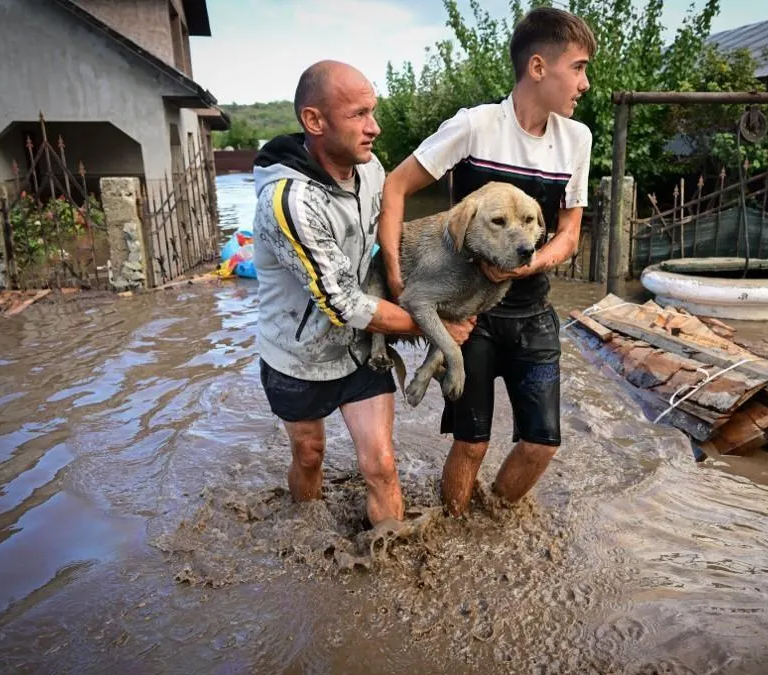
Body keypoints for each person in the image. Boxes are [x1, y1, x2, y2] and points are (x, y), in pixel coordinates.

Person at [378, 7, 597, 517]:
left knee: (541, 443)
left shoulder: (577, 140)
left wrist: (529, 263)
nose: (585, 83)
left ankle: (494, 518)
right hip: (468, 315)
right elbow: (395, 186)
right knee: (470, 444)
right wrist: (394, 281)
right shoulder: (474, 126)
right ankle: (454, 531)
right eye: (580, 67)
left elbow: (568, 234)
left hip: (533, 312)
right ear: (539, 67)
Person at [251, 60, 475, 529]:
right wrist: (435, 326)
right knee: (310, 455)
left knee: (381, 464)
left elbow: (392, 240)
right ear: (314, 121)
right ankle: (305, 535)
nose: (374, 127)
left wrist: (457, 277)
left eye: (373, 111)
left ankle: (388, 572)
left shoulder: (370, 168)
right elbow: (343, 305)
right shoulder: (290, 202)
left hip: (360, 351)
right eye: (359, 115)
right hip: (298, 356)